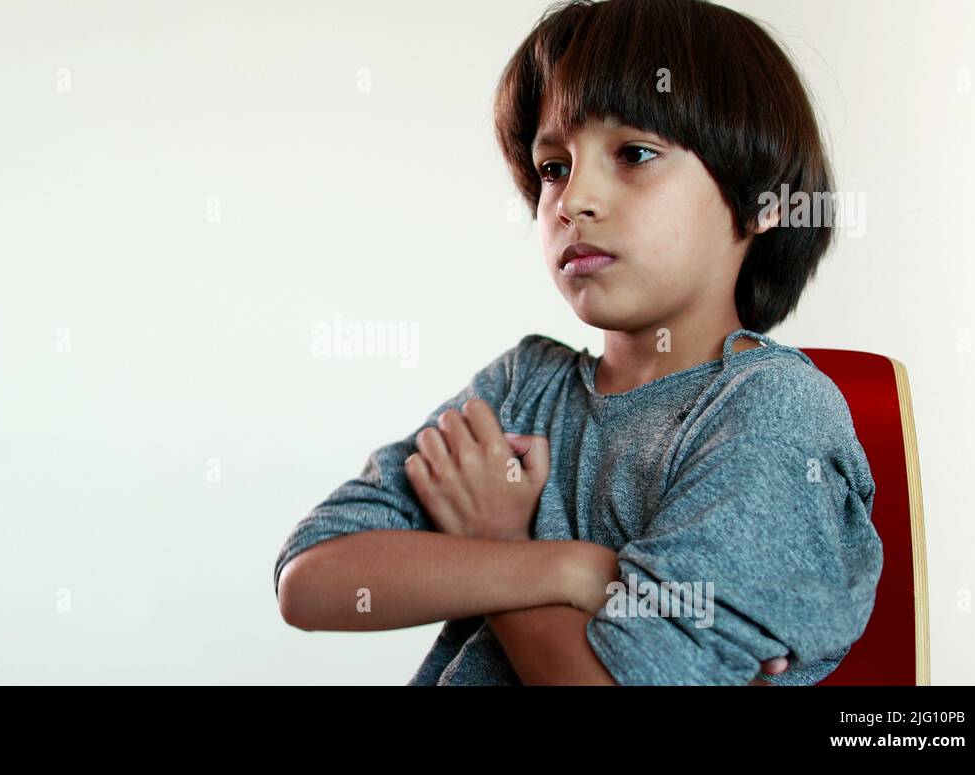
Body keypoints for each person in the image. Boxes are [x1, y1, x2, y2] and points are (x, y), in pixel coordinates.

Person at [273, 0, 883, 685]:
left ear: (766, 200)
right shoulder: (523, 385)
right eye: (554, 167)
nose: (573, 199)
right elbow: (313, 575)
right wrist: (566, 566)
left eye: (635, 154)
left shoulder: (774, 414)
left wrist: (497, 539)